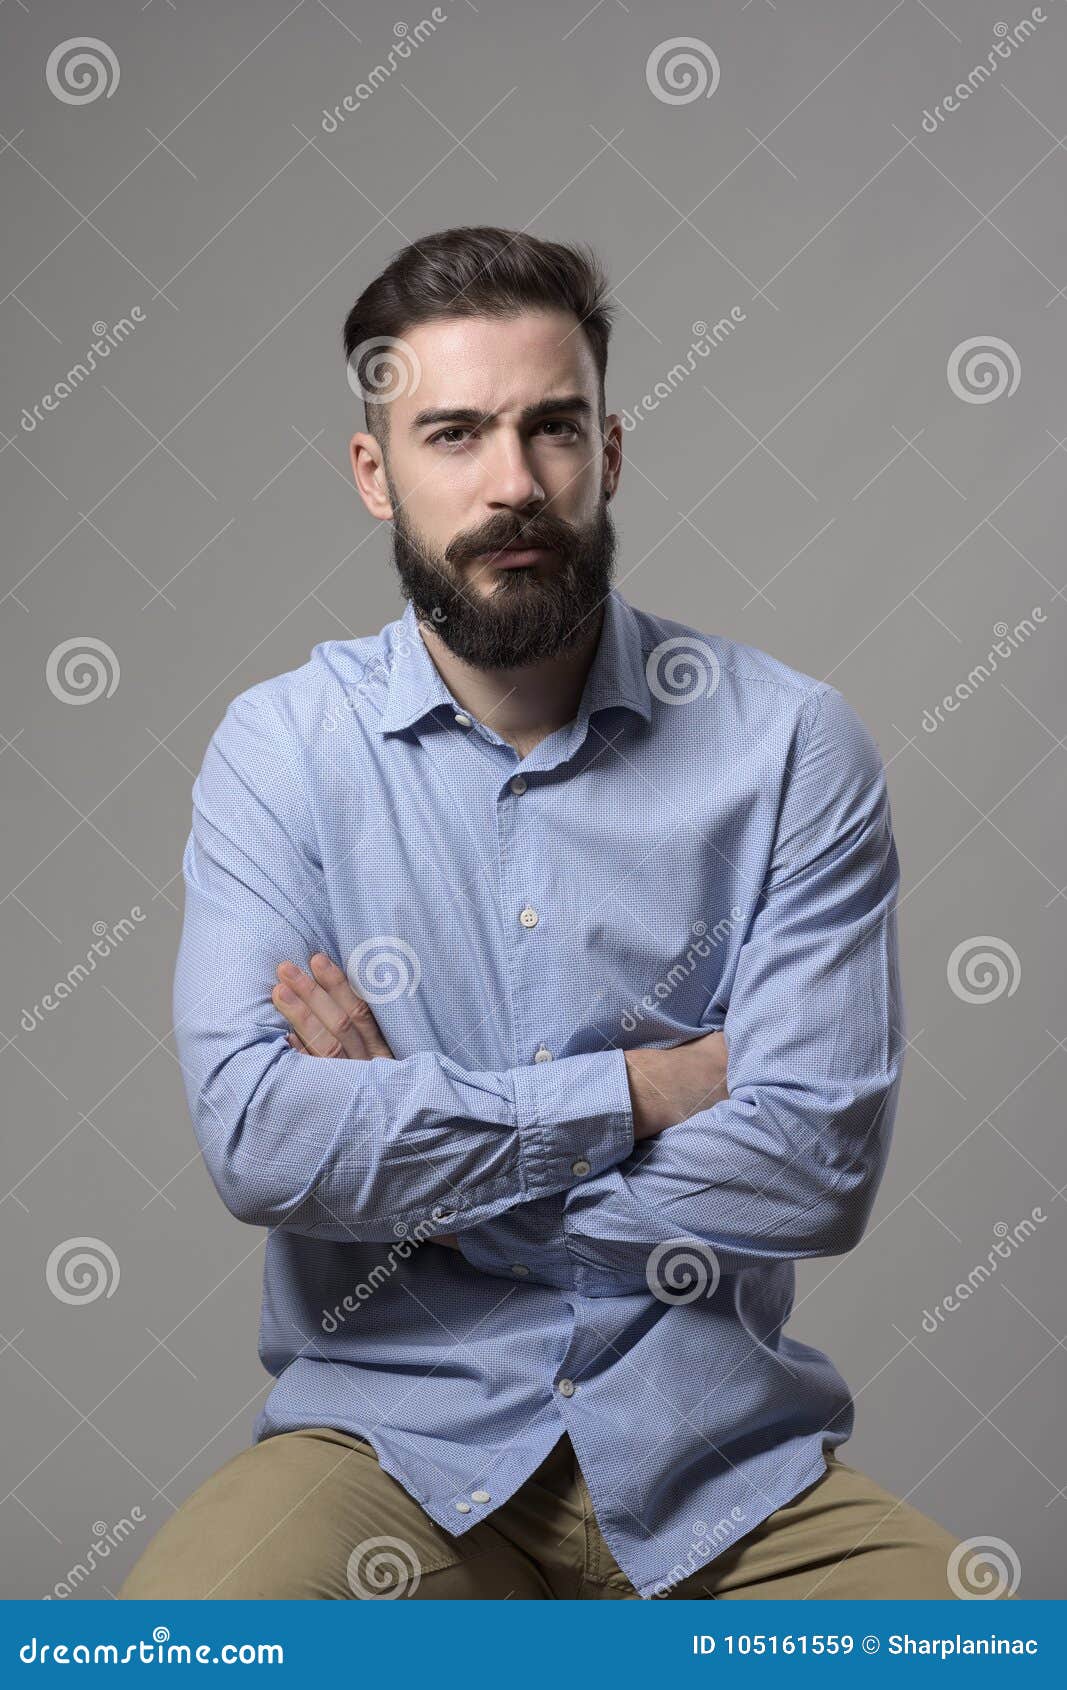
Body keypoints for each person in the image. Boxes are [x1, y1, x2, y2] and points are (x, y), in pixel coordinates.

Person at [119, 226, 994, 1602]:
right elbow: (260, 1144)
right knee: (180, 1646)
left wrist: (418, 1158)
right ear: (375, 472)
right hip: (392, 1449)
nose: (513, 483)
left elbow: (817, 1162)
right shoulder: (282, 751)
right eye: (454, 434)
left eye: (554, 429)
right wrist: (652, 1088)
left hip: (726, 1472)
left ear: (612, 453)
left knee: (979, 1648)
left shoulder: (787, 746)